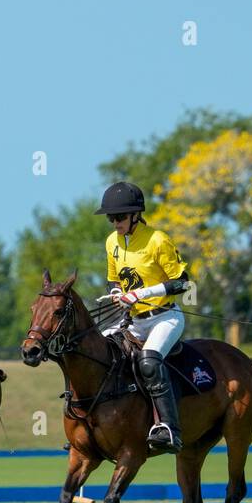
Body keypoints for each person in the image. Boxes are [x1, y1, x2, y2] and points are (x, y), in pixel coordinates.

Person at [96, 181, 192, 454]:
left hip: (164, 318)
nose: (115, 223)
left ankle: (169, 429)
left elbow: (182, 283)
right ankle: (93, 423)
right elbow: (112, 280)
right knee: (96, 351)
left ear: (136, 214)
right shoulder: (111, 242)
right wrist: (116, 294)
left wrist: (140, 294)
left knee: (149, 361)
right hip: (134, 320)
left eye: (120, 217)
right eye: (111, 218)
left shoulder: (157, 240)